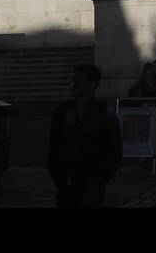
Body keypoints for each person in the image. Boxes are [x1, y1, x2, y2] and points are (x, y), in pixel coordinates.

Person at [48, 63, 123, 208]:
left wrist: (102, 176)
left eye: (77, 80)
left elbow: (114, 147)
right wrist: (58, 178)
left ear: (91, 85)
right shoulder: (62, 112)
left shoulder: (104, 112)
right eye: (71, 80)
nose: (72, 84)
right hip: (67, 180)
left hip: (93, 180)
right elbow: (54, 146)